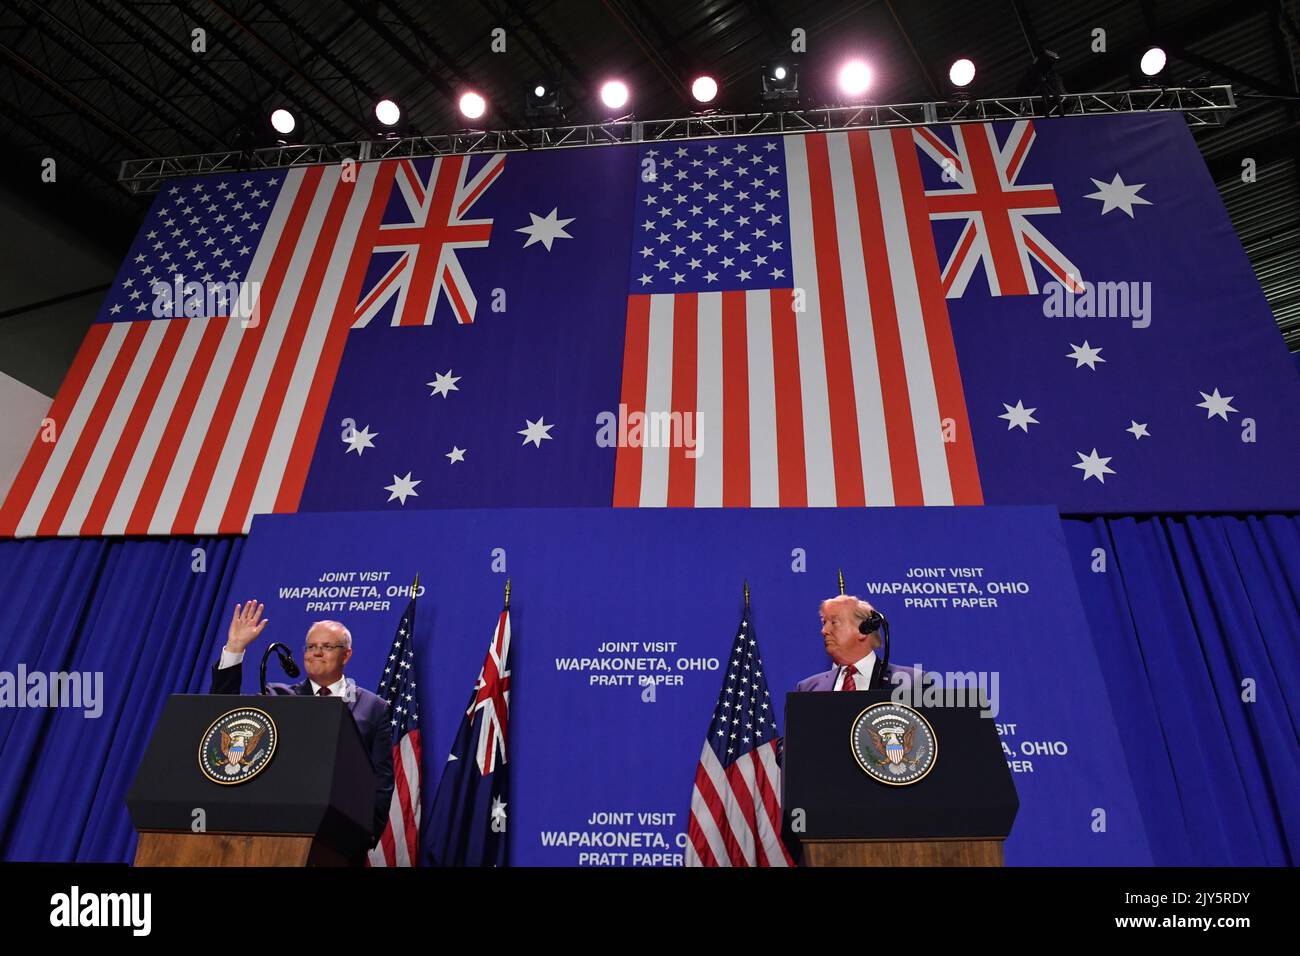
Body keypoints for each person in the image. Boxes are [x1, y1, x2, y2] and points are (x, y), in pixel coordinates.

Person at [209, 600, 394, 849]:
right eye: (311, 647)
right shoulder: (277, 697)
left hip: (337, 835)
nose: (316, 652)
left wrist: (365, 837)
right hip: (276, 827)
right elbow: (224, 715)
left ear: (346, 654)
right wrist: (235, 647)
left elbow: (380, 781)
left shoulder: (373, 708)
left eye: (327, 646)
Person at [795, 594, 893, 691]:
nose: (824, 630)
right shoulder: (808, 688)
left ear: (863, 630)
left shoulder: (900, 682)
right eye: (824, 622)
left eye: (834, 622)